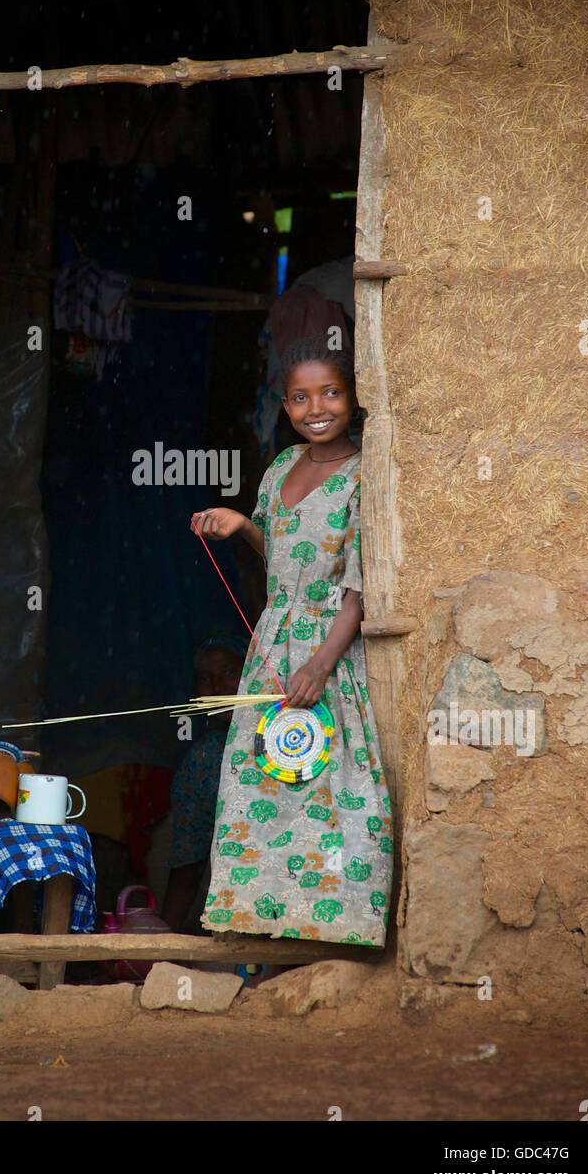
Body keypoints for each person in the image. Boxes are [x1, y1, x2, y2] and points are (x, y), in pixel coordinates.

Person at [190, 334, 393, 946]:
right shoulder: (281, 467)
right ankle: (258, 919)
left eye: (330, 392)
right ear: (284, 405)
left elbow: (359, 585)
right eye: (301, 397)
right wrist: (242, 525)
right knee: (264, 776)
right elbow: (281, 556)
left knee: (327, 778)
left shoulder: (364, 472)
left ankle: (333, 926)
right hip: (271, 644)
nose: (316, 407)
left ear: (354, 398)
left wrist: (320, 666)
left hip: (327, 645)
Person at [161, 632, 248, 931]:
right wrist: (160, 940)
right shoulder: (200, 762)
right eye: (204, 678)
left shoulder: (283, 738)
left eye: (229, 672)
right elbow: (190, 857)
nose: (218, 687)